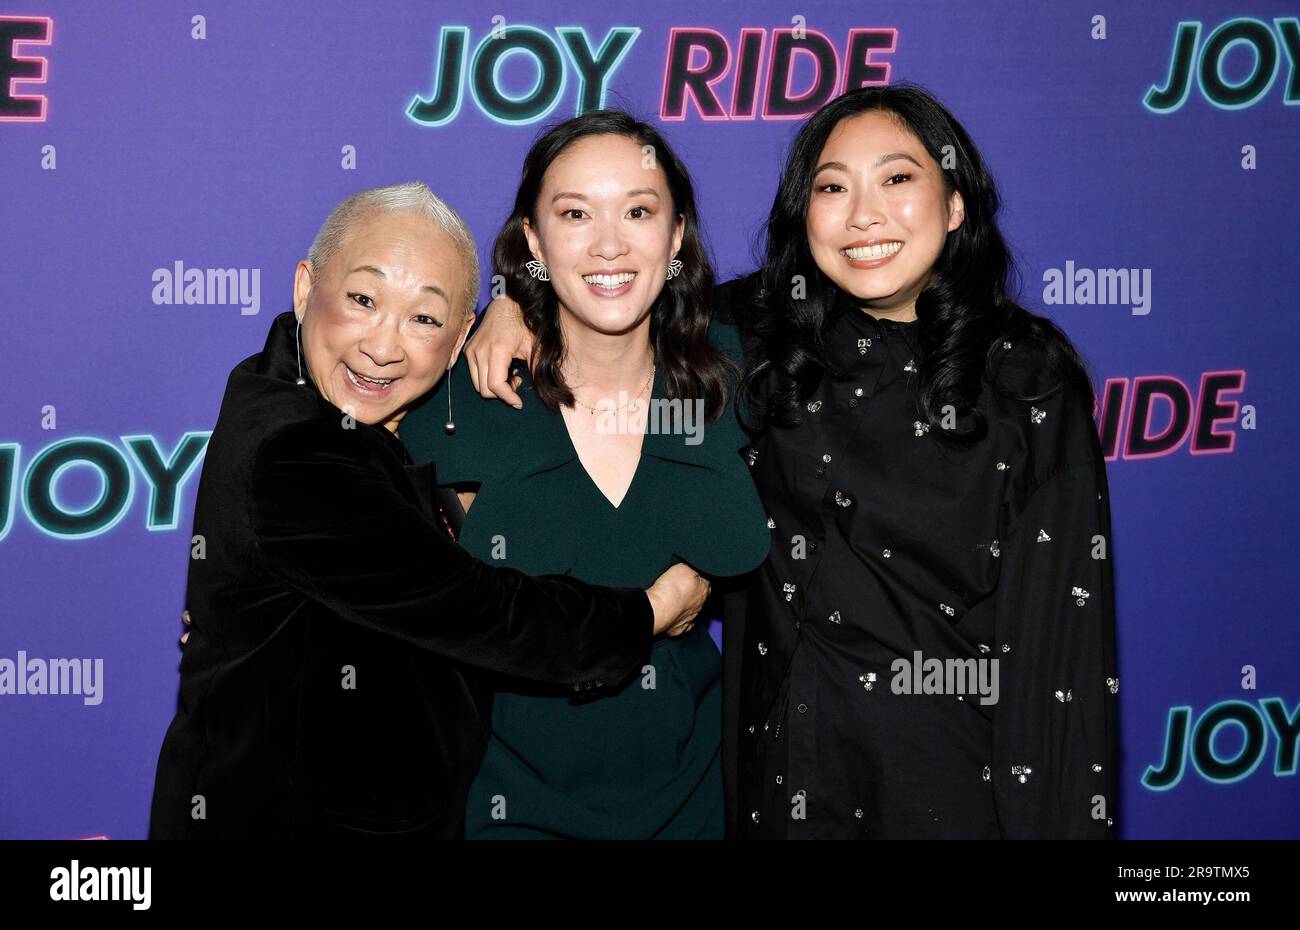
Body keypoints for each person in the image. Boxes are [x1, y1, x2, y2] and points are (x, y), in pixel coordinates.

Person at [464, 84, 1119, 839]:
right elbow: (615, 286)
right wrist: (512, 299)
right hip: (778, 779)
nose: (864, 215)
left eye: (898, 179)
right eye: (832, 187)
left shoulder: (1027, 381)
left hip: (948, 784)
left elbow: (1062, 669)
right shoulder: (759, 340)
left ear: (956, 202)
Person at [149, 181, 709, 839]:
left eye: (424, 318)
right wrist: (652, 609)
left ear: (458, 338)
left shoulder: (319, 393)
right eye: (362, 300)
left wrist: (521, 306)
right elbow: (483, 612)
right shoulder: (297, 449)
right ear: (306, 289)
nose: (383, 346)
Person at [402, 112, 769, 839]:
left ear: (677, 237)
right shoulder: (455, 396)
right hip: (503, 808)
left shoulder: (742, 374)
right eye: (575, 214)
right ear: (533, 240)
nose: (609, 244)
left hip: (695, 801)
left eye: (638, 211)